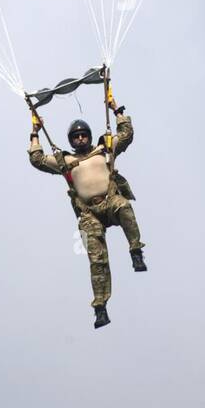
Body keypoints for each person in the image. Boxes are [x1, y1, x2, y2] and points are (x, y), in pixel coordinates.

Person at [28, 89, 145, 328]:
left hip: (111, 202)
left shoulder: (104, 149)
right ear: (71, 141)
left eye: (83, 135)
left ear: (89, 136)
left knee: (124, 207)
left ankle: (135, 251)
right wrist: (35, 133)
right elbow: (37, 160)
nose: (80, 139)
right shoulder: (65, 161)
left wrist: (116, 108)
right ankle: (100, 308)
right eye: (76, 137)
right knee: (97, 259)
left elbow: (127, 133)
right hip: (89, 214)